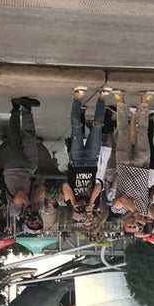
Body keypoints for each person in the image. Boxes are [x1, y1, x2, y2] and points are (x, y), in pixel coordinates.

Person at [107, 90, 154, 235]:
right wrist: (148, 230)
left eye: (129, 226)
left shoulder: (117, 209)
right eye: (135, 227)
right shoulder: (144, 211)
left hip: (124, 164)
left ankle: (120, 100)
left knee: (122, 131)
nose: (133, 225)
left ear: (123, 225)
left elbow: (122, 199)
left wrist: (134, 212)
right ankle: (144, 101)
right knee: (143, 131)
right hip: (142, 166)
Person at [61, 87, 107, 223]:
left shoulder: (68, 199)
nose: (80, 208)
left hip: (76, 160)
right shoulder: (91, 201)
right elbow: (99, 186)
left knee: (76, 127)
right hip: (92, 161)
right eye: (81, 211)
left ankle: (78, 98)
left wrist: (74, 201)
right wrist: (91, 203)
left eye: (76, 211)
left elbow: (65, 186)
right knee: (97, 128)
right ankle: (102, 97)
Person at [1, 96, 45, 234]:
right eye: (37, 222)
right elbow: (41, 188)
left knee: (14, 137)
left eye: (31, 223)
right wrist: (36, 203)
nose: (34, 220)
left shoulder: (16, 211)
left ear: (25, 222)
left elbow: (19, 195)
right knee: (29, 138)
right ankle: (26, 108)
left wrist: (28, 204)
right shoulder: (40, 207)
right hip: (29, 168)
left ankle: (14, 110)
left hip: (12, 169)